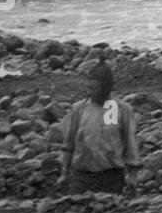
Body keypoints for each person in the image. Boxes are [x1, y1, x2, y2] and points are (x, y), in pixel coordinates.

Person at [58, 60, 140, 195]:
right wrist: (64, 173)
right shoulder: (79, 109)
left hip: (111, 177)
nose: (91, 92)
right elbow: (68, 144)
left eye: (95, 88)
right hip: (81, 176)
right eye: (89, 88)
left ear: (106, 88)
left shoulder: (121, 110)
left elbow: (130, 145)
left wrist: (132, 177)